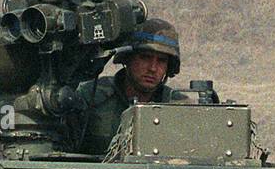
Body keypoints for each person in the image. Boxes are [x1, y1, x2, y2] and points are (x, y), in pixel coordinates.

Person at [73, 18, 191, 156]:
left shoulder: (179, 107)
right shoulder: (92, 97)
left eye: (161, 61)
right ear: (128, 58)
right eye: (145, 57)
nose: (153, 68)